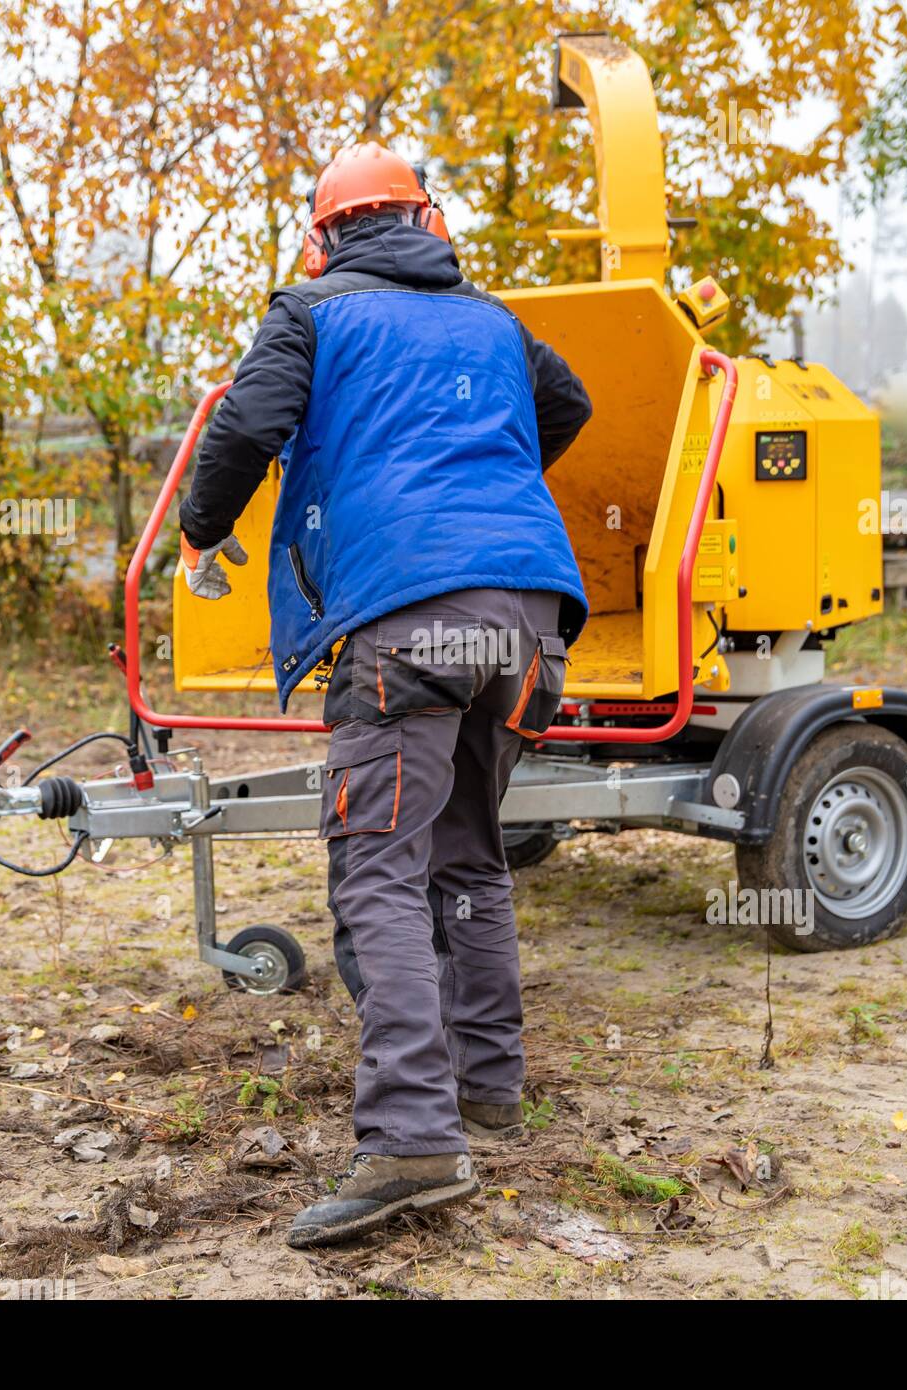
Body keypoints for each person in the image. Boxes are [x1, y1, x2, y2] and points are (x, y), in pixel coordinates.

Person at [178, 142, 591, 1248]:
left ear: (321, 236)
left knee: (378, 870)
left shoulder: (310, 312)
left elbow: (245, 429)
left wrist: (201, 532)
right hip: (528, 623)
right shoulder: (497, 325)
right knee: (467, 855)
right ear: (428, 218)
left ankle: (412, 1135)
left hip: (404, 623)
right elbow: (569, 404)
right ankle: (487, 1088)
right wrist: (481, 481)